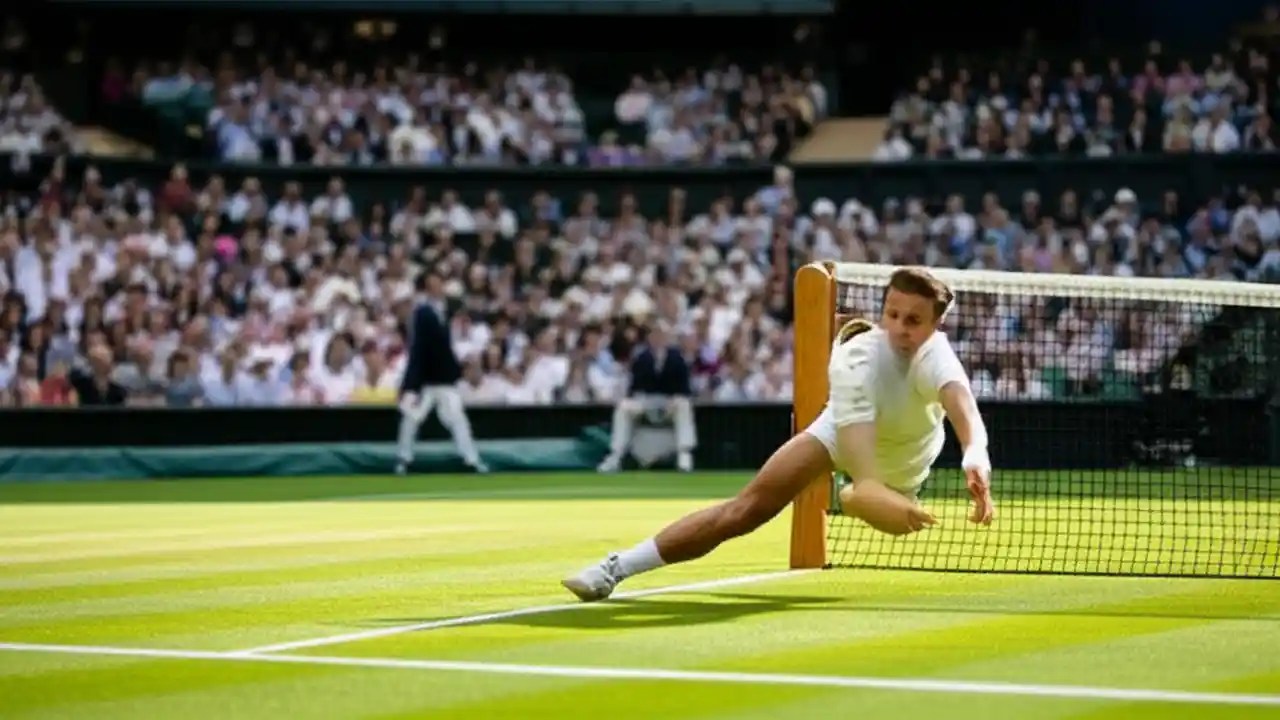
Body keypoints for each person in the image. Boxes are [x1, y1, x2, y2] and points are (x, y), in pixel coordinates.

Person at [561, 267, 995, 601]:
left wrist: (975, 455)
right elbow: (855, 435)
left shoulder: (937, 358)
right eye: (893, 315)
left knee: (879, 510)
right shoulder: (858, 356)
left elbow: (963, 408)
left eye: (914, 320)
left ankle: (853, 496)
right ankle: (613, 569)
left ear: (936, 325)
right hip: (843, 432)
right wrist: (863, 486)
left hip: (903, 461)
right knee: (745, 510)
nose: (900, 327)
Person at [395, 283, 489, 474]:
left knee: (456, 419)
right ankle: (403, 459)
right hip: (426, 383)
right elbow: (420, 354)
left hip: (439, 383)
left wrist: (410, 385)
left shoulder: (432, 317)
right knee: (412, 419)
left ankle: (470, 459)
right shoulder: (426, 315)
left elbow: (426, 354)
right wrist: (411, 385)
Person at [597, 323, 698, 473]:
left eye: (661, 335)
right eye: (654, 335)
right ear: (650, 338)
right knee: (624, 407)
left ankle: (684, 454)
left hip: (670, 402)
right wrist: (640, 402)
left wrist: (674, 400)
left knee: (684, 405)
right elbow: (634, 388)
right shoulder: (641, 357)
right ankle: (616, 455)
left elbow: (685, 390)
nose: (658, 338)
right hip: (646, 402)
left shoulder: (677, 358)